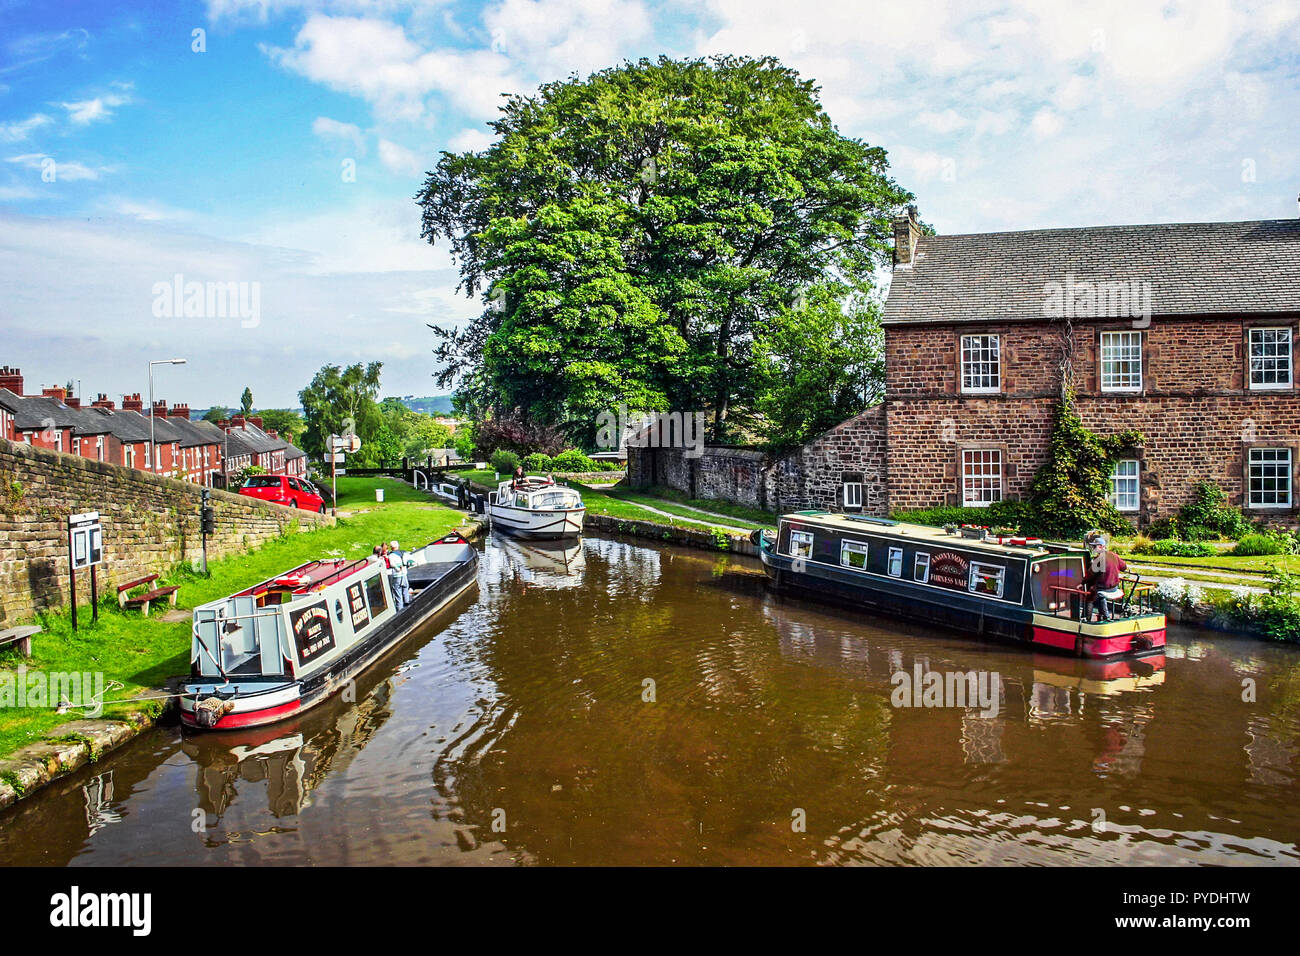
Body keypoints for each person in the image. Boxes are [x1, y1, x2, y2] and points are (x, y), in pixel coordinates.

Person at [1083, 533, 1127, 622]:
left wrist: (1081, 583)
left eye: (1094, 547)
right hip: (1114, 587)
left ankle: (1086, 619)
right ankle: (1105, 616)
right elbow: (1124, 567)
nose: (1093, 549)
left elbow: (1090, 575)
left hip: (1104, 588)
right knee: (1098, 594)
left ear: (1100, 547)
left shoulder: (1098, 559)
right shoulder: (1114, 555)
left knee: (1090, 596)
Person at [386, 539, 412, 610]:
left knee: (398, 593)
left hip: (397, 576)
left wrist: (397, 568)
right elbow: (409, 561)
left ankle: (400, 609)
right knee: (405, 590)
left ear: (391, 547)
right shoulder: (403, 553)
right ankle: (408, 604)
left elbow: (392, 564)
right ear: (398, 546)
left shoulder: (391, 555)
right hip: (404, 575)